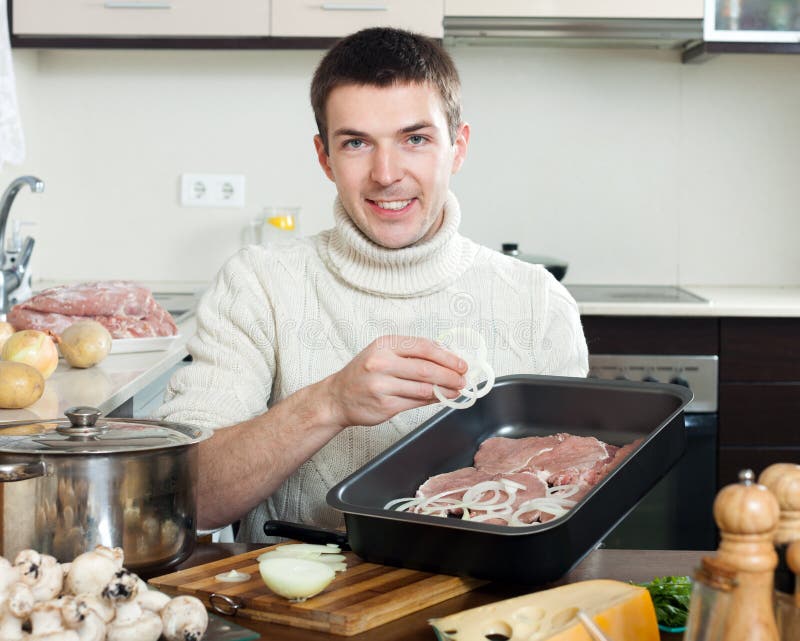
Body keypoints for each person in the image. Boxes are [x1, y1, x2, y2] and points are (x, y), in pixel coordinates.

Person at [157, 27, 588, 542]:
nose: (387, 174)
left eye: (415, 139)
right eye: (357, 143)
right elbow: (191, 500)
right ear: (325, 158)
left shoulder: (536, 301)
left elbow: (573, 507)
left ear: (457, 147)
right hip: (300, 603)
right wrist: (329, 403)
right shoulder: (258, 285)